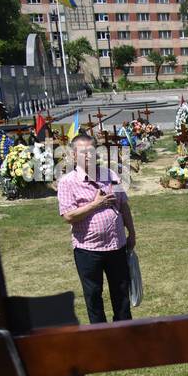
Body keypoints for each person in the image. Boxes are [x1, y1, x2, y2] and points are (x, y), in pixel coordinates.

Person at [57, 134, 135, 324]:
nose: (88, 156)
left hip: (116, 245)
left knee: (121, 293)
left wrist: (131, 232)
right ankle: (100, 336)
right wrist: (95, 204)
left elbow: (123, 205)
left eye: (92, 151)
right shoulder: (67, 182)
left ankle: (125, 332)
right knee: (93, 295)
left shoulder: (110, 175)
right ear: (74, 155)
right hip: (88, 250)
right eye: (83, 152)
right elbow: (69, 216)